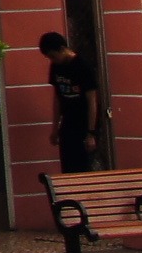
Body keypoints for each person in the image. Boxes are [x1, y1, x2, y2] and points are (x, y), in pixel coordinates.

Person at [37, 33, 102, 173]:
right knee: (68, 167)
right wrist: (55, 128)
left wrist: (91, 133)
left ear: (62, 49)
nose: (52, 60)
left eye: (53, 56)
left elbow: (92, 101)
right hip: (67, 124)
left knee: (83, 167)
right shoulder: (56, 67)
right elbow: (57, 98)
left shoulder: (82, 67)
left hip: (83, 123)